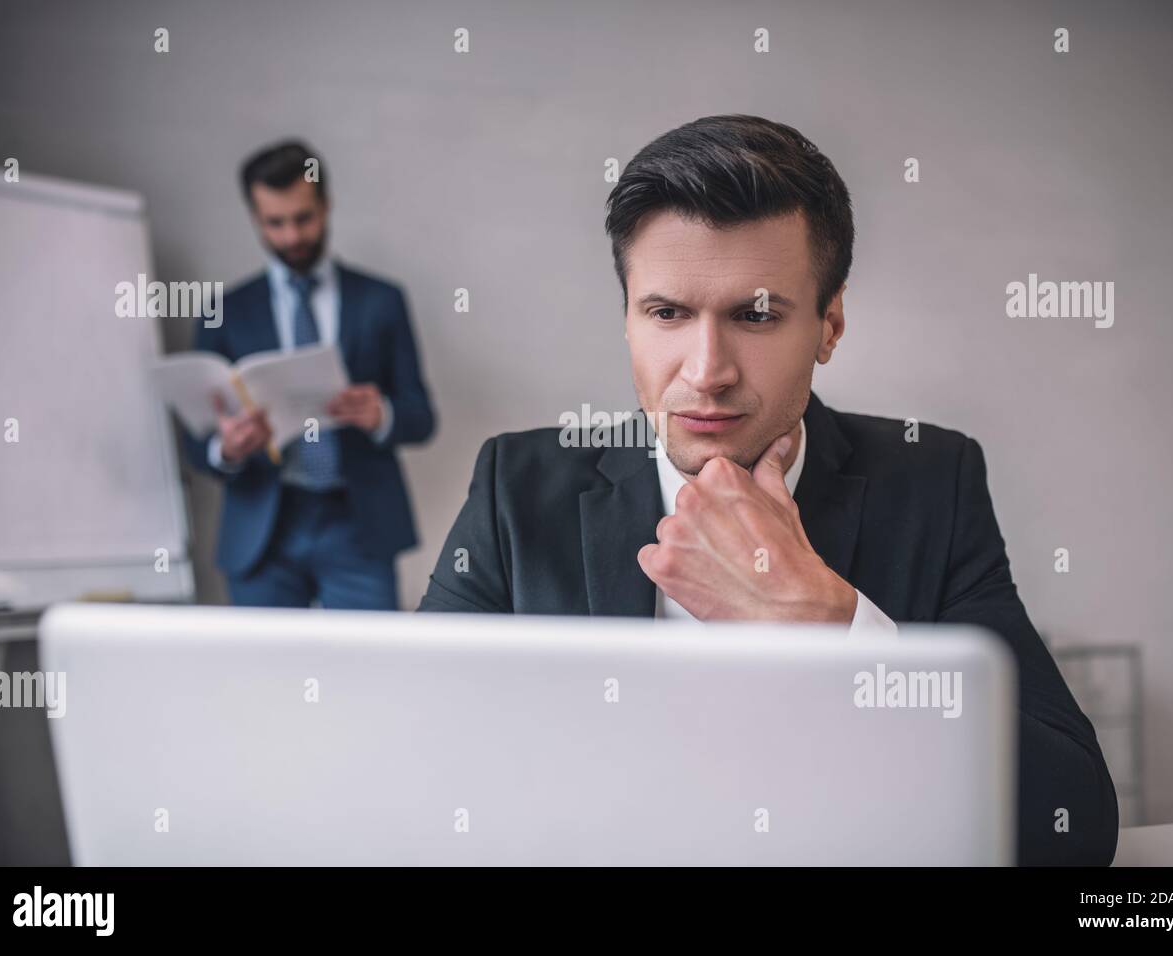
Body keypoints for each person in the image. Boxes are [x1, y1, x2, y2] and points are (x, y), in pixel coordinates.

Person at [417, 114, 1118, 866]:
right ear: (627, 319)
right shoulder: (515, 487)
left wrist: (829, 626)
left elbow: (1068, 827)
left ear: (830, 323)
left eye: (755, 315)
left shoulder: (931, 483)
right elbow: (406, 761)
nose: (707, 370)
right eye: (666, 313)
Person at [182, 140, 435, 609]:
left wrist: (381, 414)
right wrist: (227, 448)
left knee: (368, 671)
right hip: (261, 528)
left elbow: (421, 416)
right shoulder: (223, 312)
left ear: (326, 204)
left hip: (358, 523)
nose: (292, 236)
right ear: (255, 218)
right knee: (266, 677)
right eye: (275, 223)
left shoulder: (381, 300)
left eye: (304, 218)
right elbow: (196, 444)